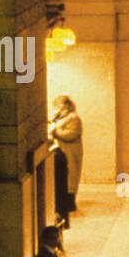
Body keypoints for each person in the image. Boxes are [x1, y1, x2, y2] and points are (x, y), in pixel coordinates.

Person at [48, 96, 83, 228]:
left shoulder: (74, 118)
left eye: (61, 105)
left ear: (68, 105)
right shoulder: (59, 117)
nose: (59, 108)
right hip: (61, 150)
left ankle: (69, 202)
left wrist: (55, 132)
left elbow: (71, 134)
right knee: (65, 178)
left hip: (70, 151)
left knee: (70, 178)